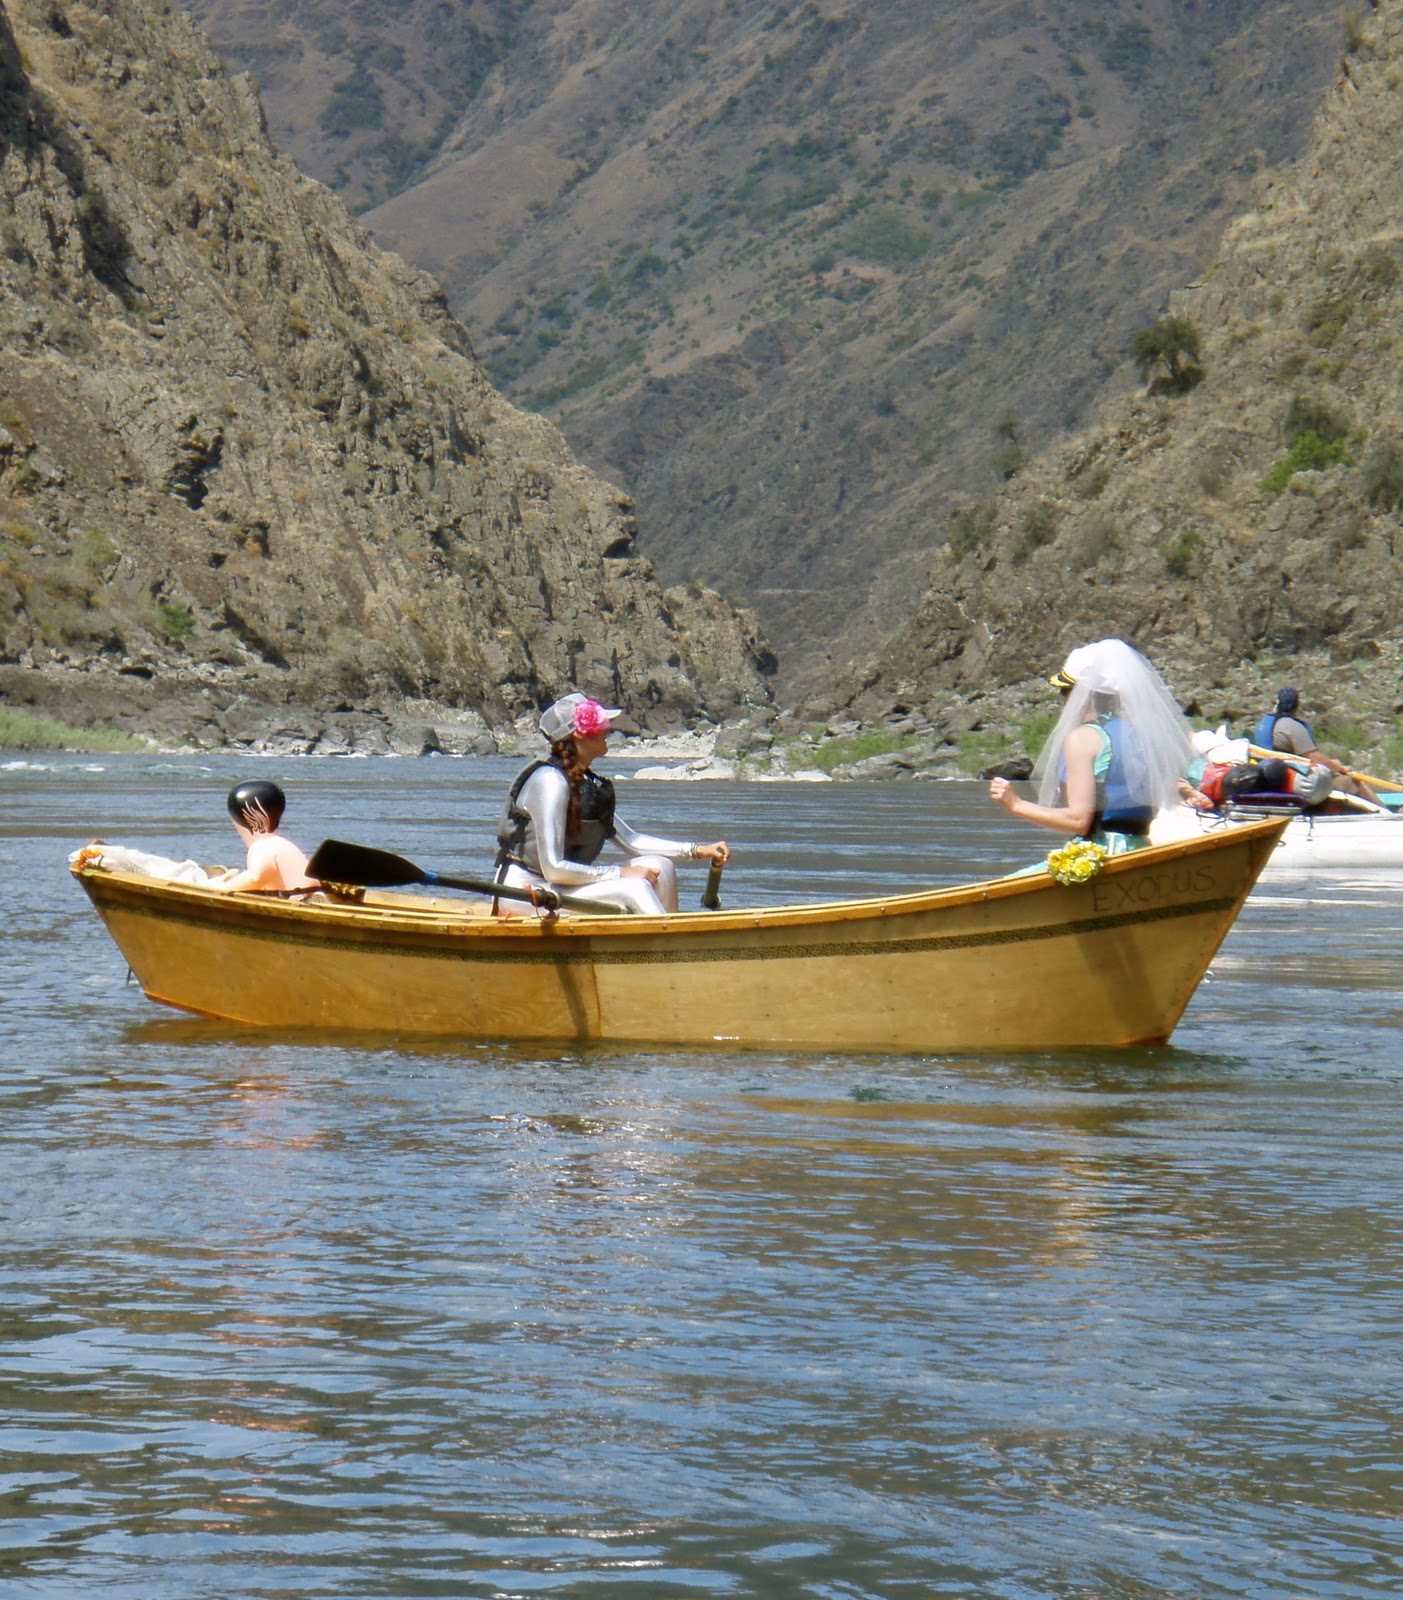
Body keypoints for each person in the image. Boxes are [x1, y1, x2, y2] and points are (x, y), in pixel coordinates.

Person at [494, 692, 730, 914]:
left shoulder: (584, 782)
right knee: (634, 886)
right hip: (526, 892)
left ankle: (658, 942)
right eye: (602, 724)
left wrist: (697, 850)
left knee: (662, 866)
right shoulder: (550, 781)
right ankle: (673, 944)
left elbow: (632, 841)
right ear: (579, 733)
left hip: (559, 886)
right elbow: (553, 868)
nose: (609, 728)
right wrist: (621, 873)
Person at [988, 638, 1195, 851]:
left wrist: (1015, 804)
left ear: (1080, 695)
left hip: (1102, 854)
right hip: (1144, 848)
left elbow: (1079, 821)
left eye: (1065, 692)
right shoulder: (1149, 735)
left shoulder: (1083, 739)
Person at [1253, 686, 1378, 803]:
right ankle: (1382, 811)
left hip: (1275, 775)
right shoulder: (1292, 726)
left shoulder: (1264, 725)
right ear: (1296, 706)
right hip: (1293, 779)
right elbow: (1314, 757)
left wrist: (1333, 764)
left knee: (1334, 764)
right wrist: (1339, 769)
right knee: (1351, 783)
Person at [207, 779, 318, 894]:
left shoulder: (263, 846)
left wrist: (222, 888)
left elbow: (256, 877)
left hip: (299, 900)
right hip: (306, 895)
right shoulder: (282, 844)